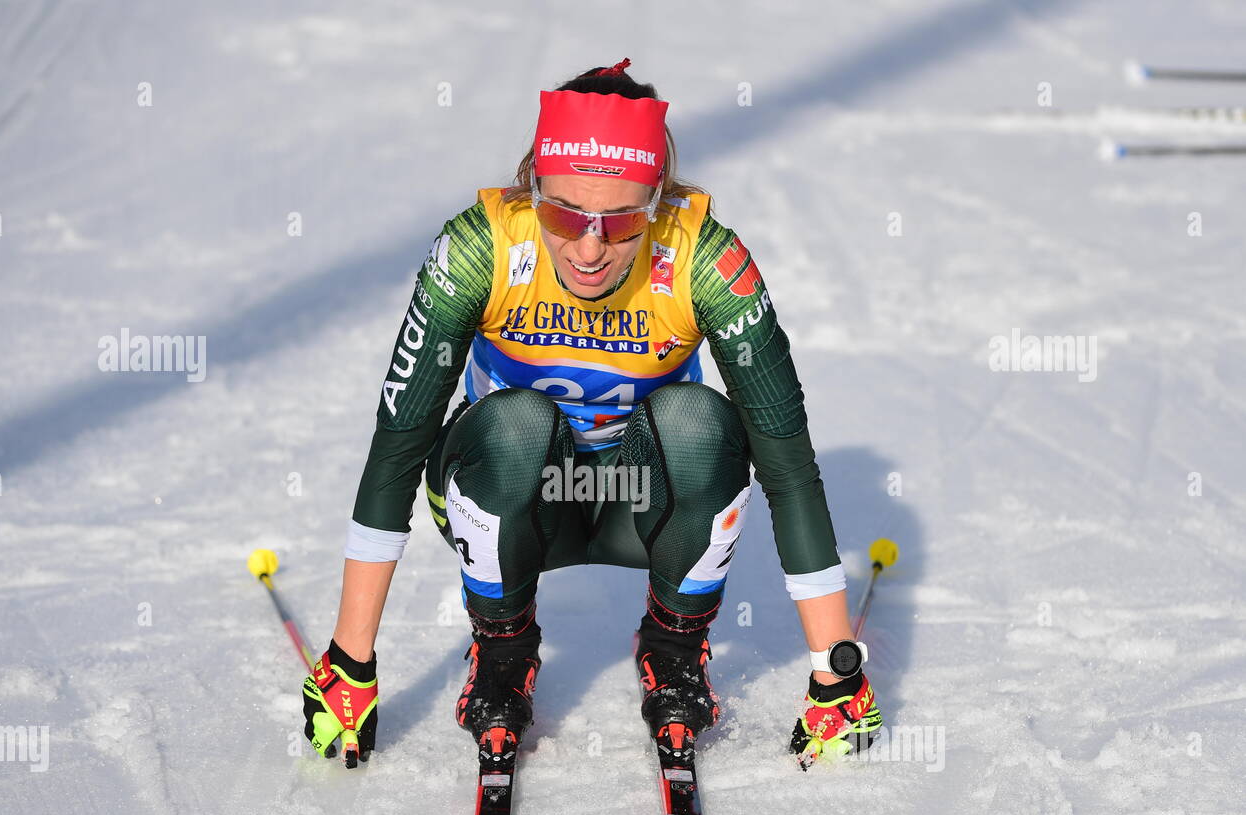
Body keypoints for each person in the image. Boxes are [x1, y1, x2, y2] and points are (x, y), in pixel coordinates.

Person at [302, 59, 881, 770]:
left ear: (657, 200)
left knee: (701, 424)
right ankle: (503, 651)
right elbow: (397, 450)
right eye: (563, 214)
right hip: (510, 494)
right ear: (533, 190)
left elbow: (788, 465)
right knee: (515, 426)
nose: (588, 247)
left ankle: (673, 648)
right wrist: (348, 658)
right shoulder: (480, 248)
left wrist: (836, 667)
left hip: (636, 502)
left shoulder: (704, 259)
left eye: (621, 222)